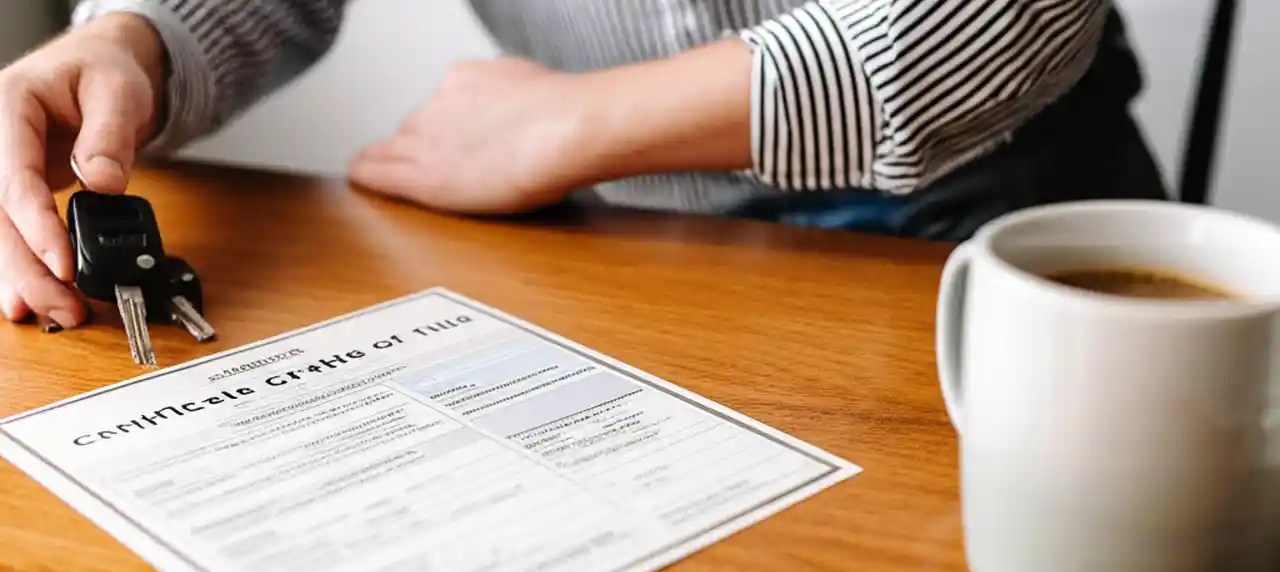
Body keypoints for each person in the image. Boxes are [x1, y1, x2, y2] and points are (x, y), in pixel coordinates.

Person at [0, 1, 1166, 329]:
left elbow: (1007, 16)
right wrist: (129, 38)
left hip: (985, 197)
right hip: (619, 251)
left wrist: (570, 127)